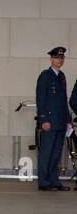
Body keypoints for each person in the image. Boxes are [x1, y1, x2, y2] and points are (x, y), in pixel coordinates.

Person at [35, 47, 74, 191]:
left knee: (56, 153)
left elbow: (64, 100)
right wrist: (43, 119)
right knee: (47, 152)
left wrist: (68, 119)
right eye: (57, 58)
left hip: (60, 120)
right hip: (49, 121)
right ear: (51, 59)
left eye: (62, 58)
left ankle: (54, 181)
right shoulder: (45, 76)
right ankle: (44, 182)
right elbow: (41, 99)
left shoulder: (62, 76)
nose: (60, 60)